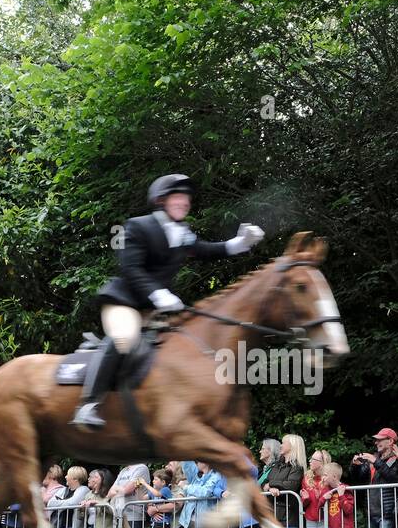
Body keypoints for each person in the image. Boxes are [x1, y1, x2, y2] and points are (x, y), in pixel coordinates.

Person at [72, 174, 265, 428]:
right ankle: (88, 404)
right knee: (125, 338)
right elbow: (131, 269)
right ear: (161, 200)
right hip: (124, 303)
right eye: (178, 197)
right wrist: (158, 293)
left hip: (155, 311)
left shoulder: (181, 232)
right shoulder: (138, 226)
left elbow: (206, 250)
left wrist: (239, 243)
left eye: (186, 198)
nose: (184, 202)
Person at [301, 449, 332, 528]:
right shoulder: (306, 478)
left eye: (313, 459)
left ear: (322, 463)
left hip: (325, 522)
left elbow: (323, 500)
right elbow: (304, 503)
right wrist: (305, 499)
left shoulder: (328, 478)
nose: (310, 461)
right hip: (311, 522)